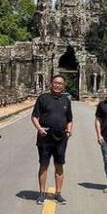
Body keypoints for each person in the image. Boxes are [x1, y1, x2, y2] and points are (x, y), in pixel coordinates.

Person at [31, 74, 73, 205]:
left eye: (60, 83)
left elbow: (70, 119)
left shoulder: (66, 100)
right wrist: (39, 129)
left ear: (63, 85)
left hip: (61, 138)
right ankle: (42, 193)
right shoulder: (43, 98)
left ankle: (58, 193)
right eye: (55, 82)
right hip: (45, 137)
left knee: (59, 165)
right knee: (44, 165)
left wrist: (69, 131)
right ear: (51, 84)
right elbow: (34, 116)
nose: (57, 85)